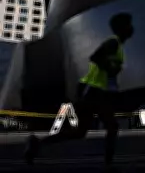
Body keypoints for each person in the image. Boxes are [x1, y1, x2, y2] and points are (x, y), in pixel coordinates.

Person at [24, 13, 134, 168]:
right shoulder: (113, 43)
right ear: (122, 28)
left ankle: (37, 143)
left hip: (93, 92)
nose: (132, 29)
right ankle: (109, 164)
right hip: (95, 92)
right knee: (112, 126)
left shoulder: (117, 46)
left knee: (79, 132)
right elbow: (95, 57)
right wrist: (111, 67)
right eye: (129, 25)